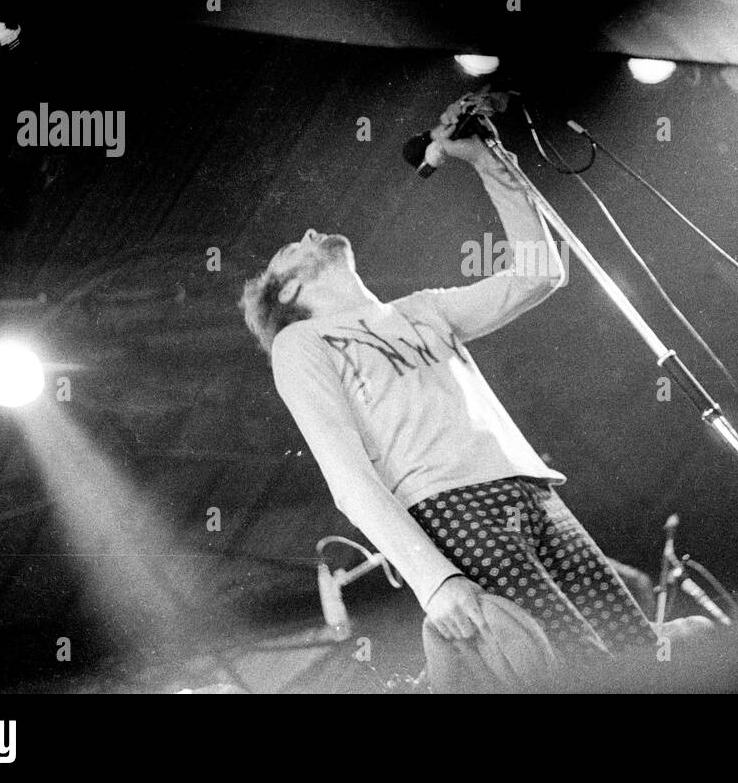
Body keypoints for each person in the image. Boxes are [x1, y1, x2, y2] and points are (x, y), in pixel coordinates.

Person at [239, 105, 655, 663]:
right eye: (294, 249)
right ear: (287, 296)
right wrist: (431, 579)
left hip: (530, 487)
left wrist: (487, 161)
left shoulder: (421, 308)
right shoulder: (302, 344)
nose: (312, 232)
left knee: (636, 647)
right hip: (448, 506)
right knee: (576, 662)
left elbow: (539, 273)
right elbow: (347, 476)